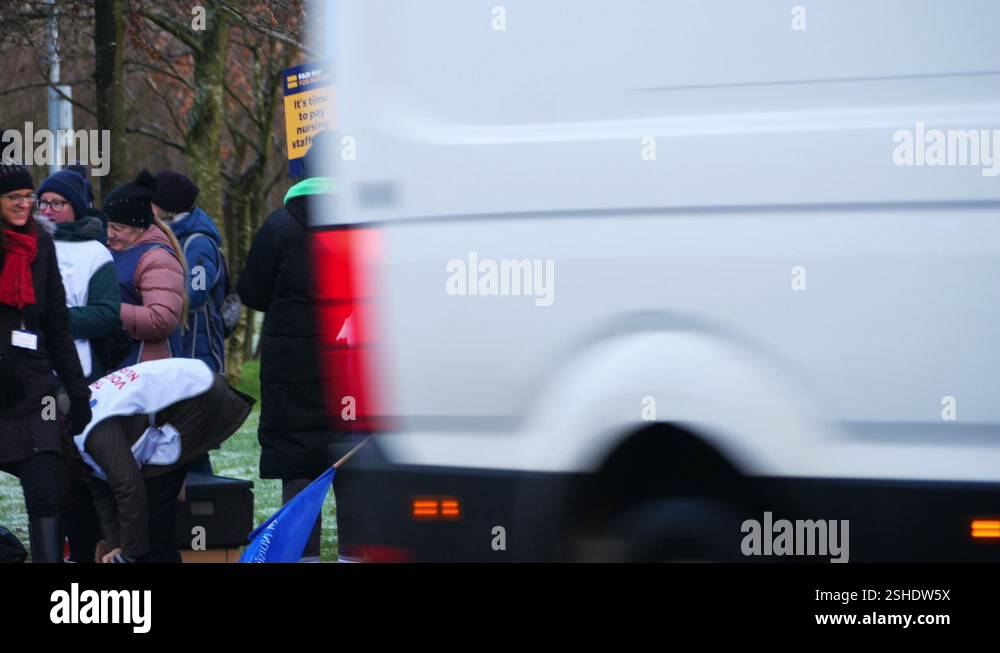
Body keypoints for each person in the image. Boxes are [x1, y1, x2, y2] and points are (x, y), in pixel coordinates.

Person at [237, 135, 340, 562]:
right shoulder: (363, 224)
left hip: (291, 372)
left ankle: (305, 557)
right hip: (350, 367)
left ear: (302, 173)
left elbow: (251, 292)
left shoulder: (278, 227)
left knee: (300, 475)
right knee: (357, 475)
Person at [71, 359, 254, 563]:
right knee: (147, 515)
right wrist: (117, 547)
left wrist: (129, 556)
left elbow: (129, 489)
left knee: (154, 503)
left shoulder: (95, 435)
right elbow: (103, 494)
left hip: (198, 395)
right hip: (184, 387)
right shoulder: (75, 435)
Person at [0, 164, 92, 563]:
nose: (24, 205)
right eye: (13, 198)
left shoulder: (41, 244)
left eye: (28, 198)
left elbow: (57, 324)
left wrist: (78, 390)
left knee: (45, 489)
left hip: (34, 382)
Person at [103, 170, 188, 367]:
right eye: (107, 226)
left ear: (140, 227)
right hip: (124, 364)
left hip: (149, 370)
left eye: (117, 228)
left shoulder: (158, 259)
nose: (110, 234)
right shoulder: (114, 251)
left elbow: (161, 320)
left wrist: (105, 310)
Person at [151, 170, 227, 374]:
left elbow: (196, 290)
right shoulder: (169, 236)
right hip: (181, 345)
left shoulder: (198, 244)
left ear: (167, 207)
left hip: (198, 351)